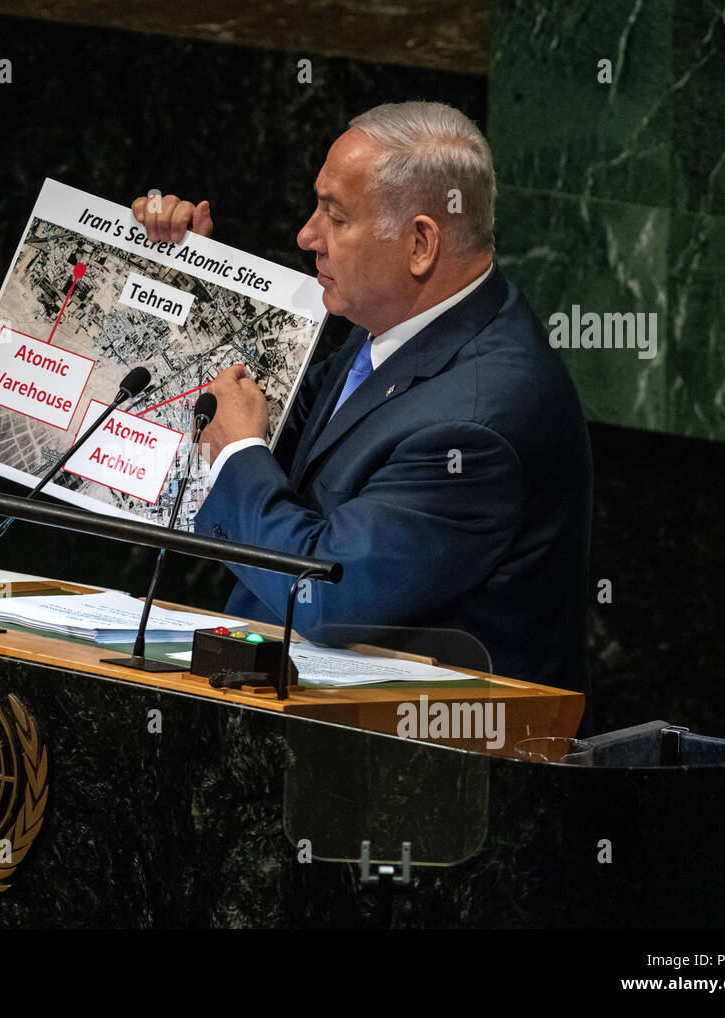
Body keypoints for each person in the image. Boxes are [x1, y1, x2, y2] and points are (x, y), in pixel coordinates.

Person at [130, 101, 593, 727]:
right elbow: (268, 422)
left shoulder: (479, 425)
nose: (306, 235)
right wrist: (193, 285)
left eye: (335, 216)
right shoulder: (401, 324)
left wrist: (239, 452)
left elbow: (325, 595)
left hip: (412, 773)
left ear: (421, 243)